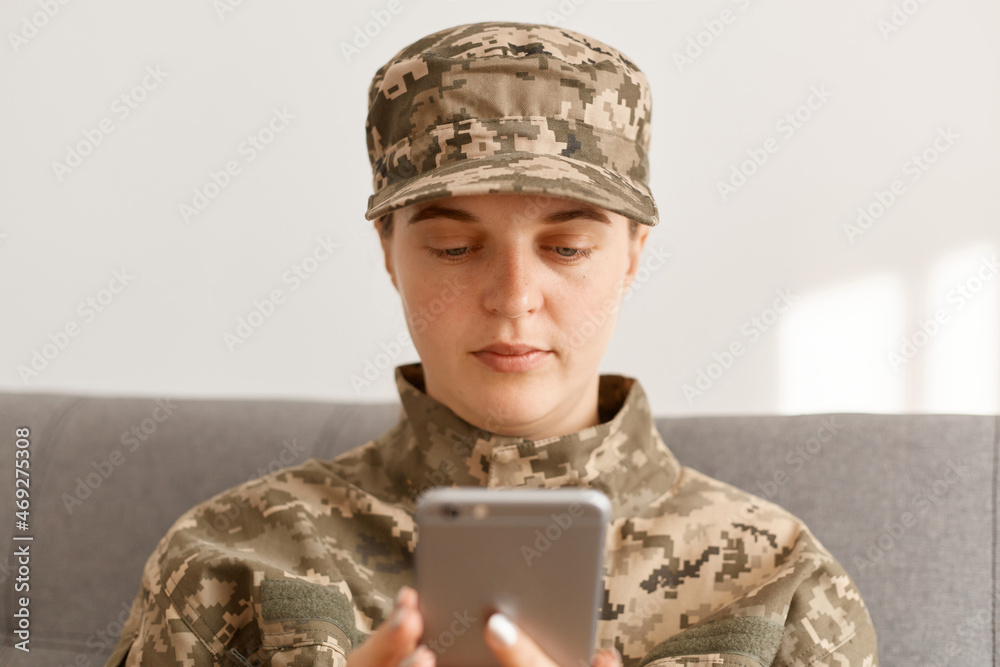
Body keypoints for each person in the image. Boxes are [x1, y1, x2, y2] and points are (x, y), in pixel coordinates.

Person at [106, 21, 878, 667]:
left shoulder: (780, 582)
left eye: (567, 248)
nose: (513, 296)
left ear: (632, 254)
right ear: (389, 251)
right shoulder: (233, 556)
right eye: (453, 247)